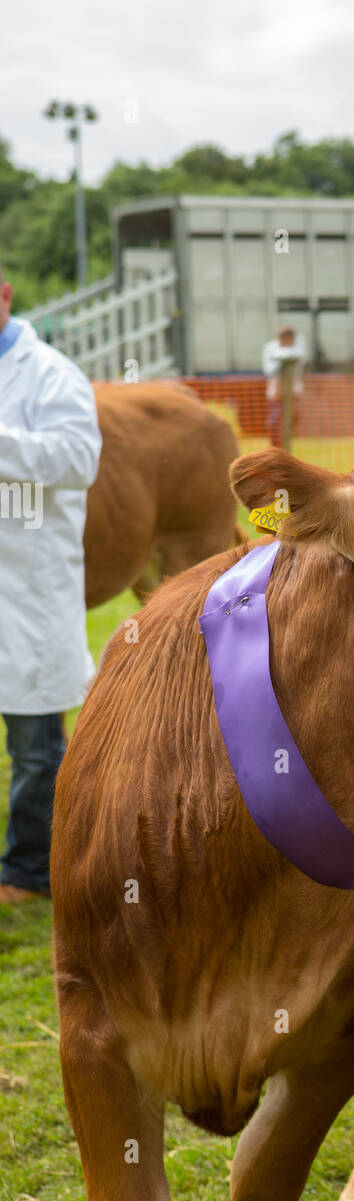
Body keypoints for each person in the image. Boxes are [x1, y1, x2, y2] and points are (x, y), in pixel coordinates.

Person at [0, 265, 102, 904]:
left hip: (27, 584)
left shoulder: (50, 374)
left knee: (35, 737)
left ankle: (29, 872)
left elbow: (77, 457)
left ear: (5, 296)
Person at [262, 325, 305, 448]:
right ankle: (277, 448)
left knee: (288, 424)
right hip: (275, 394)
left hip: (292, 393)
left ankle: (285, 449)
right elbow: (269, 371)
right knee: (274, 424)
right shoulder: (270, 349)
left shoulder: (299, 349)